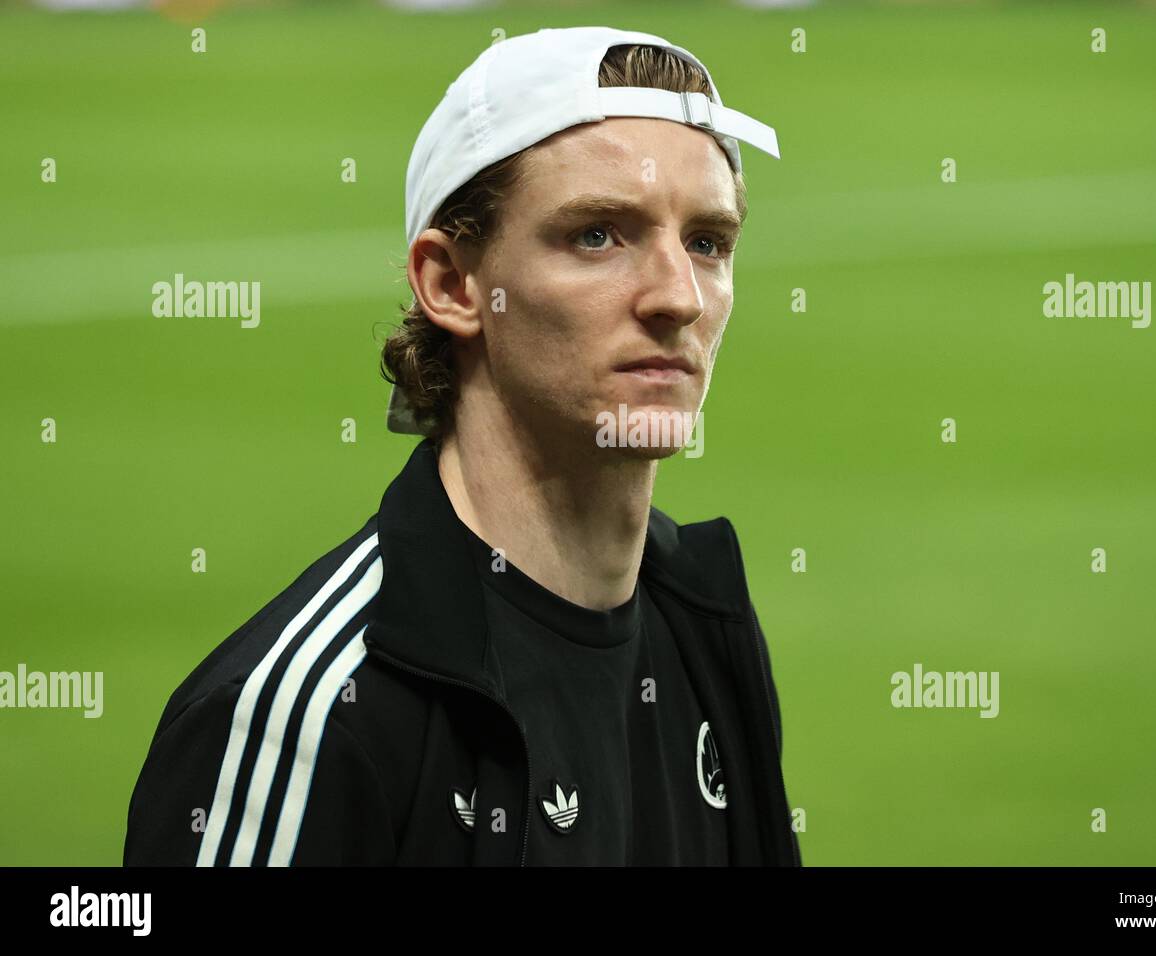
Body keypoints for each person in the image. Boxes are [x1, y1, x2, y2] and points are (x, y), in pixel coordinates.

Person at [124, 25, 798, 866]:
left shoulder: (706, 630)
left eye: (708, 242)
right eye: (598, 235)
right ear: (452, 283)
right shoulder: (311, 721)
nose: (678, 298)